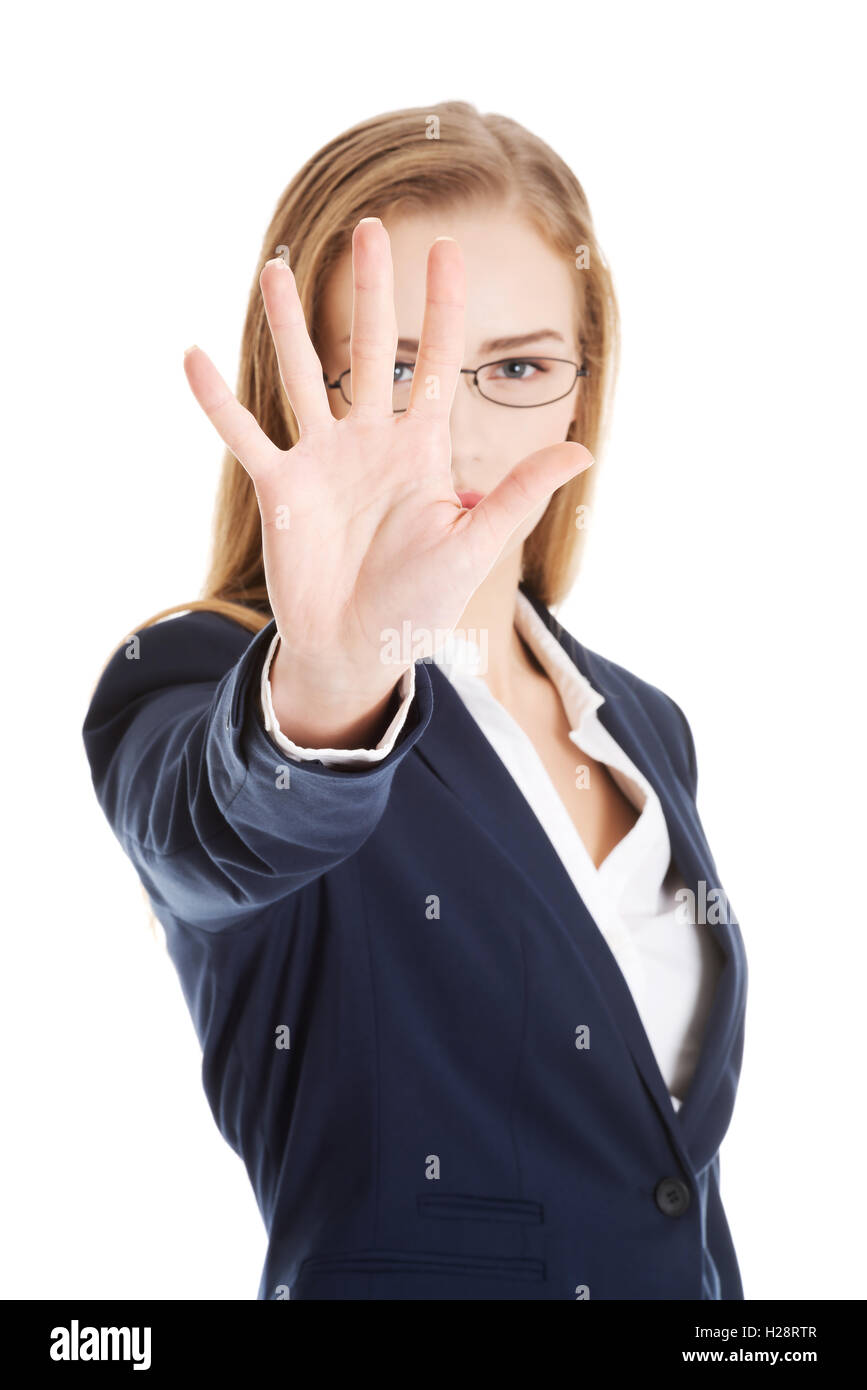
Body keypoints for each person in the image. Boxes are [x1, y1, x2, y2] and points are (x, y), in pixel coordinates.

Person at [82, 100, 747, 1301]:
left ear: (582, 390)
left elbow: (667, 1180)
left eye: (519, 367)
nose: (455, 425)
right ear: (299, 394)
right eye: (397, 369)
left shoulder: (645, 726)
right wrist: (340, 674)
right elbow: (222, 825)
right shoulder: (190, 676)